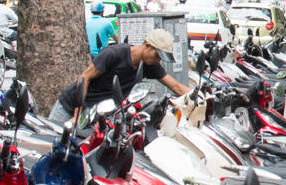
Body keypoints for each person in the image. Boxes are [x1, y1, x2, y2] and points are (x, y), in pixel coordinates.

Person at [49, 29, 192, 126]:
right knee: (51, 147)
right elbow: (84, 78)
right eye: (157, 56)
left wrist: (198, 97)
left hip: (96, 116)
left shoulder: (149, 64)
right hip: (70, 108)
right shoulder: (115, 54)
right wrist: (77, 114)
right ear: (148, 46)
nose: (158, 60)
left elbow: (175, 86)